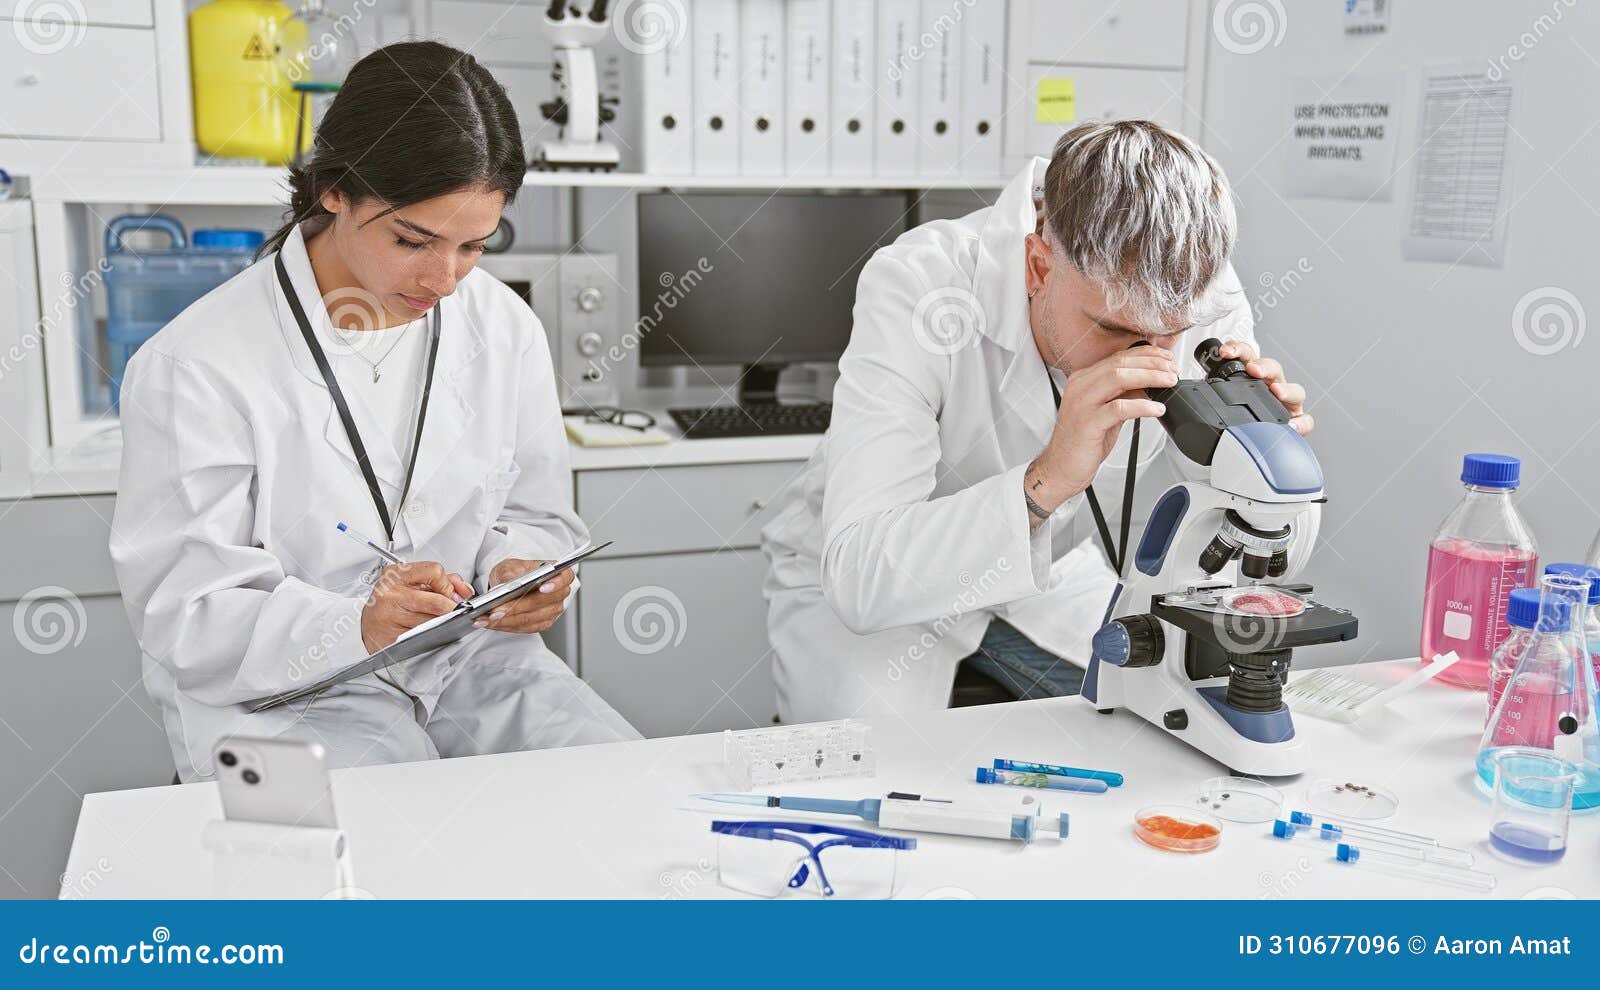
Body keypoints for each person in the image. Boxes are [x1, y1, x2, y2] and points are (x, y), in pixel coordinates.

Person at [110, 42, 639, 782]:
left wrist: (526, 569)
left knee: (613, 788)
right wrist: (353, 623)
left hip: (468, 665)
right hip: (288, 694)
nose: (444, 278)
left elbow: (535, 510)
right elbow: (186, 614)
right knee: (380, 865)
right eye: (412, 240)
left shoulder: (503, 326)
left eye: (474, 247)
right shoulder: (195, 364)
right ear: (335, 189)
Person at [760, 120, 1315, 723]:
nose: (1150, 359)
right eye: (1114, 329)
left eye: (1171, 335)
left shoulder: (1196, 291)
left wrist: (1259, 461)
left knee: (1171, 712)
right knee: (867, 776)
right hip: (882, 575)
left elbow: (1239, 547)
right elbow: (862, 579)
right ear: (1039, 267)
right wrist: (1048, 477)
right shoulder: (922, 286)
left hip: (1050, 566)